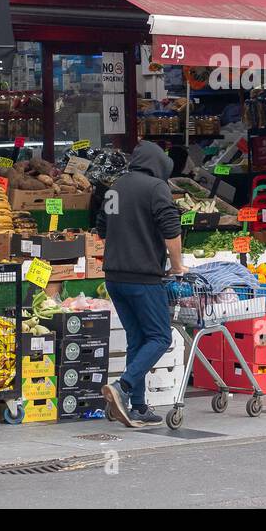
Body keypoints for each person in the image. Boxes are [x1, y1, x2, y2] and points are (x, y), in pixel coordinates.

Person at [96, 140, 184, 427]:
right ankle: (123, 387)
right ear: (158, 165)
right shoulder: (156, 188)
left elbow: (102, 228)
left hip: (114, 277)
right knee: (160, 337)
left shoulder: (116, 186)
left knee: (138, 339)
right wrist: (178, 265)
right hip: (143, 278)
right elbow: (171, 229)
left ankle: (138, 406)